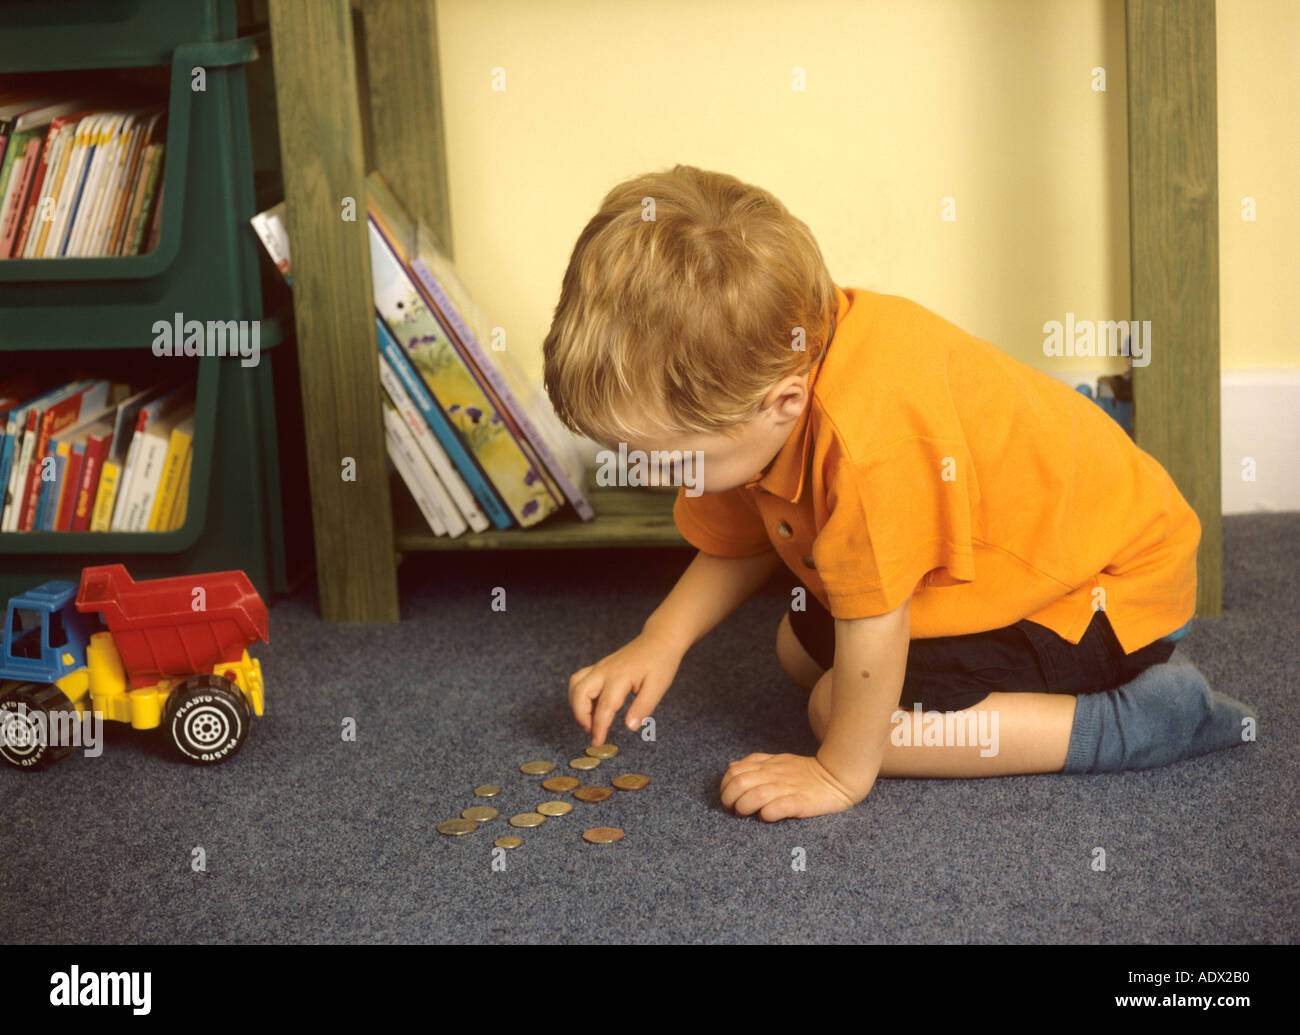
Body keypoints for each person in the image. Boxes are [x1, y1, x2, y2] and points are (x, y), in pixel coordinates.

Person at [542, 165, 1255, 822]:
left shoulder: (870, 442)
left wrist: (839, 772)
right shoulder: (767, 375)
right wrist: (659, 641)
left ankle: (1141, 719)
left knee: (835, 709)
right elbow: (741, 537)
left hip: (1105, 593)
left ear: (782, 402)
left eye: (663, 462)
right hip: (1020, 560)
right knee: (799, 647)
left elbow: (875, 620)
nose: (641, 475)